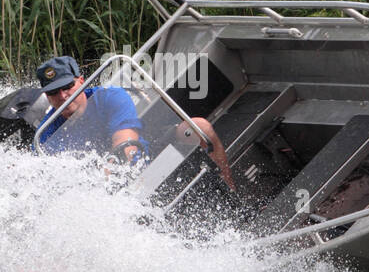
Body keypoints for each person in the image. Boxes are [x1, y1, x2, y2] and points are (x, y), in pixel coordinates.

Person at [33, 55, 236, 190]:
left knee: (200, 127)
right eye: (53, 92)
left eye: (67, 86)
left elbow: (126, 146)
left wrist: (113, 177)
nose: (63, 95)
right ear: (47, 96)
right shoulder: (46, 134)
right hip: (100, 186)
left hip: (141, 156)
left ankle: (230, 186)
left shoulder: (109, 97)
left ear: (81, 81)